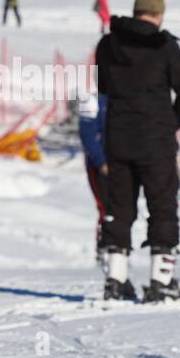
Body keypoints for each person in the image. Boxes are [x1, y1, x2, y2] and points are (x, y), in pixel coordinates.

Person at [96, 0, 180, 302]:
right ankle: (160, 281)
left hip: (118, 138)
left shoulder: (108, 44)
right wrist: (170, 124)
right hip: (156, 143)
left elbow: (101, 87)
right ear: (159, 14)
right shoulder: (165, 46)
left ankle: (115, 279)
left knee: (118, 208)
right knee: (162, 207)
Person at [76, 91, 109, 264]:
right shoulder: (91, 101)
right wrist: (101, 161)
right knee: (106, 208)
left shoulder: (128, 95)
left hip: (124, 164)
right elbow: (87, 133)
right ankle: (105, 248)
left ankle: (120, 250)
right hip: (100, 167)